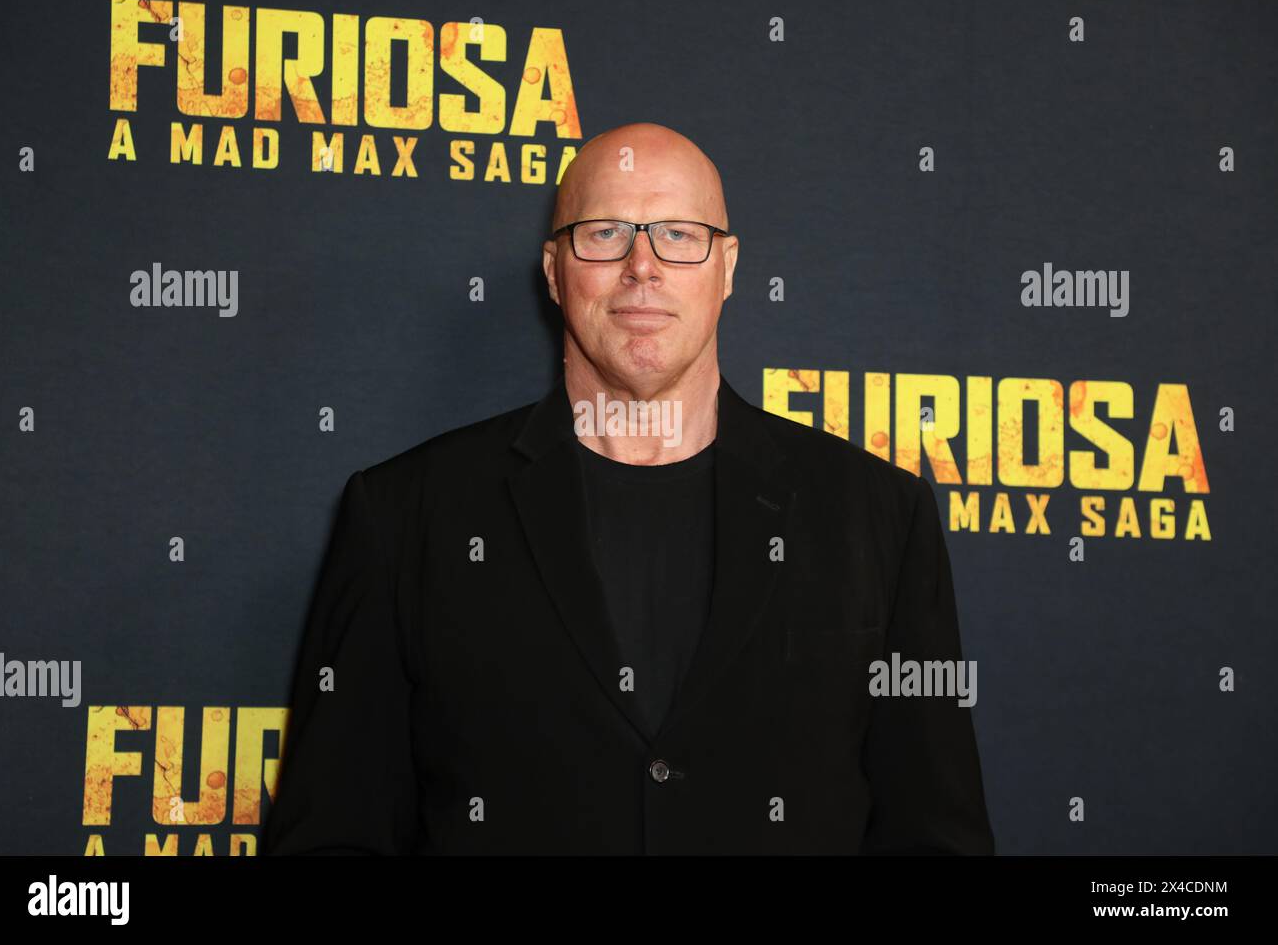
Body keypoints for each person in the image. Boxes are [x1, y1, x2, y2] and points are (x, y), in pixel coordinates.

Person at [264, 122, 994, 854]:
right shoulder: (402, 516)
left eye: (679, 234)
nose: (642, 265)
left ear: (728, 267)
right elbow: (336, 833)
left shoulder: (879, 518)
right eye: (605, 232)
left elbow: (936, 836)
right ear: (554, 271)